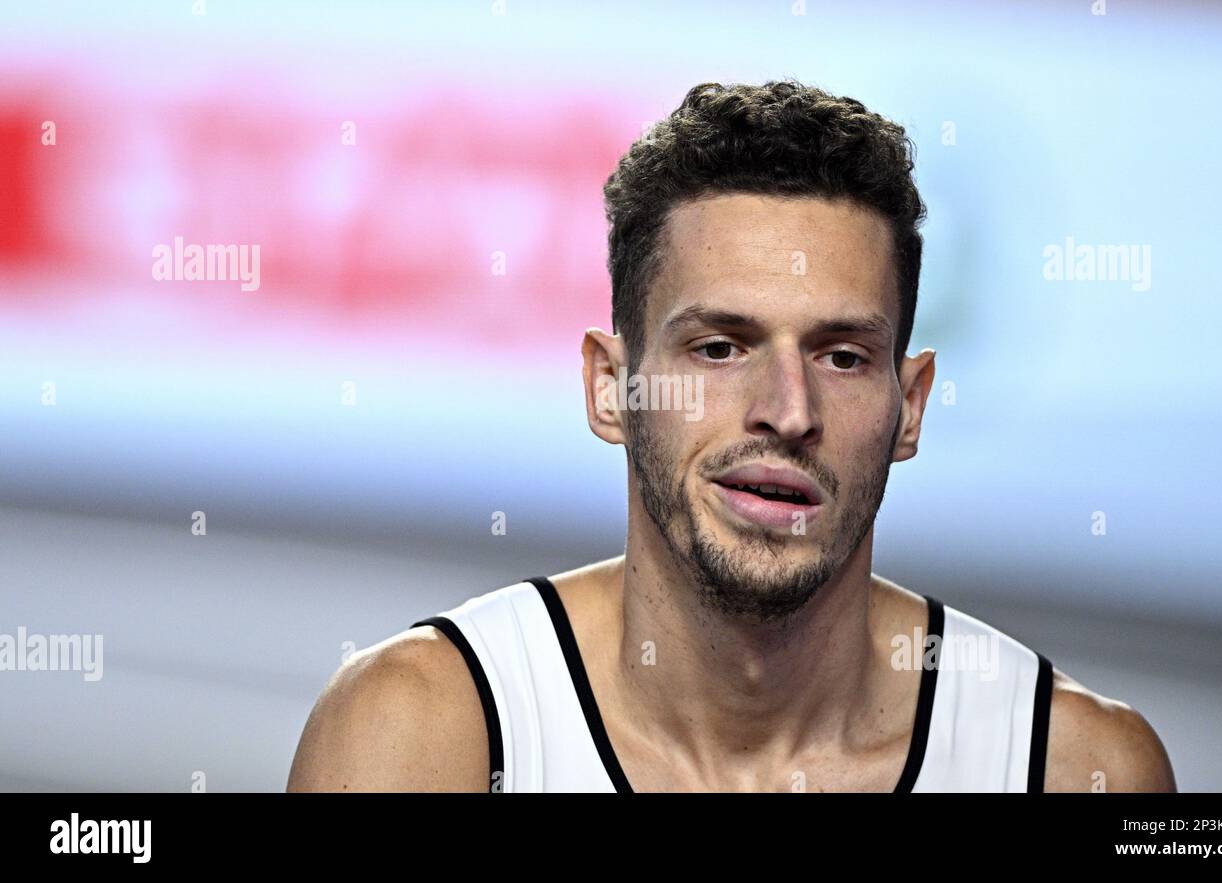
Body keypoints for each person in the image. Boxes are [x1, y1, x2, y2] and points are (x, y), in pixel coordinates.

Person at [287, 80, 1176, 792]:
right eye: (719, 347)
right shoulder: (416, 737)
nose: (787, 411)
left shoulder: (1077, 769)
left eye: (842, 356)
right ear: (610, 387)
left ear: (910, 405)